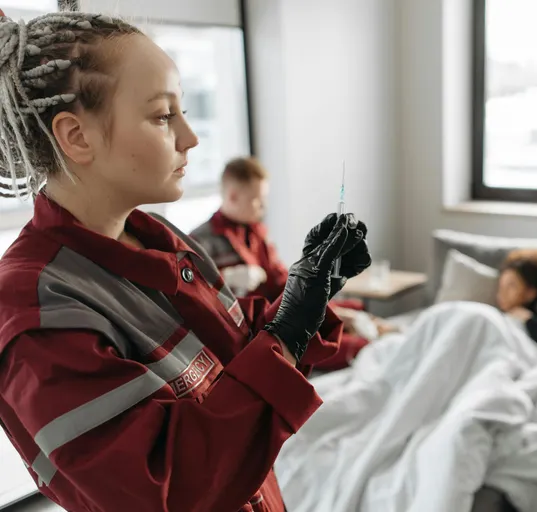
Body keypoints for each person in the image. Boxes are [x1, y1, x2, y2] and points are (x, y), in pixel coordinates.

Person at [0, 10, 371, 512]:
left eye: (183, 113)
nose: (190, 139)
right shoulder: (34, 309)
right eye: (160, 116)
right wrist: (288, 335)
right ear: (77, 136)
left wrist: (307, 297)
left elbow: (233, 357)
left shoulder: (159, 239)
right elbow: (168, 485)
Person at [191, 157, 396, 371]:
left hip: (281, 309)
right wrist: (228, 278)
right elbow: (199, 303)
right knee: (344, 343)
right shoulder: (200, 242)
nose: (264, 207)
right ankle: (376, 345)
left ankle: (376, 327)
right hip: (257, 327)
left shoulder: (257, 232)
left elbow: (282, 281)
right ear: (233, 196)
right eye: (257, 200)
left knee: (351, 309)